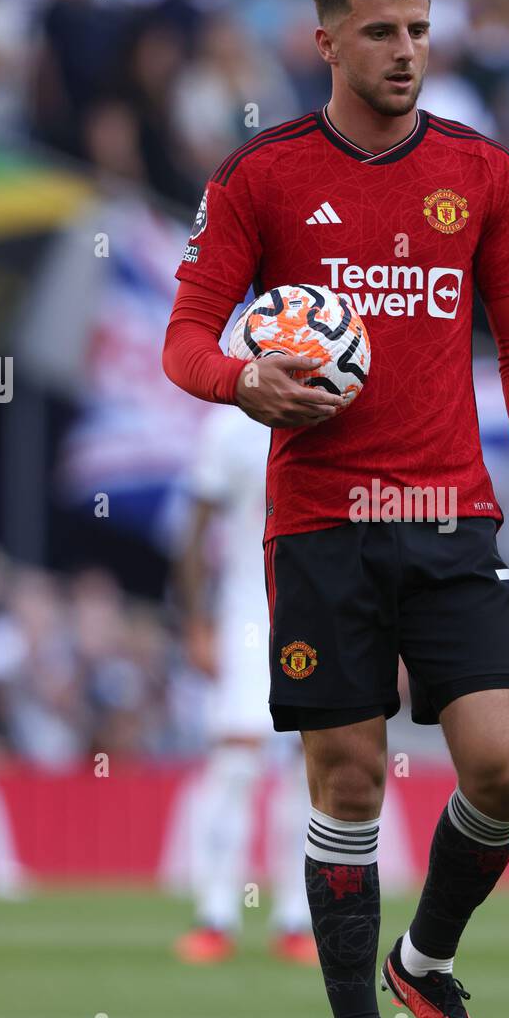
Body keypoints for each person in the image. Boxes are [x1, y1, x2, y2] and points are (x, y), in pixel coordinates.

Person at [163, 0, 509, 1018]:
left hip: (451, 518)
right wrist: (243, 380)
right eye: (382, 31)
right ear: (327, 40)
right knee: (348, 782)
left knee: (504, 763)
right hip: (321, 525)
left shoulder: (482, 173)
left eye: (420, 31)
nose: (405, 52)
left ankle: (425, 962)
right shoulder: (262, 178)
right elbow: (187, 335)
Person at [173, 405, 315, 966]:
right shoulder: (230, 426)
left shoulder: (340, 405)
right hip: (247, 615)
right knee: (237, 761)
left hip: (323, 614)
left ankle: (296, 920)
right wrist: (197, 624)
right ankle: (215, 916)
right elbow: (195, 533)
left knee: (313, 767)